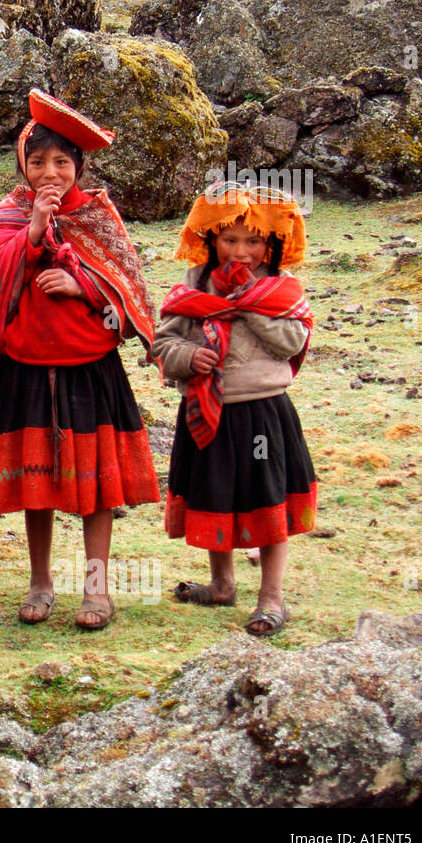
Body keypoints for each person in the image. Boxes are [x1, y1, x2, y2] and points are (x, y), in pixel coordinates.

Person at [0, 89, 160, 631]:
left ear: (78, 165)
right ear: (23, 166)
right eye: (38, 162)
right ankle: (39, 582)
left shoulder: (98, 217)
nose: (50, 172)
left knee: (95, 485)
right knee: (37, 481)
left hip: (89, 370)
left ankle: (97, 589)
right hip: (27, 369)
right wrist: (34, 230)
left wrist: (80, 285)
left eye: (62, 162)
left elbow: (129, 294)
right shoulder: (9, 215)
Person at [153, 184, 316, 636]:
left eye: (253, 241)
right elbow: (163, 342)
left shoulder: (281, 289)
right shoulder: (193, 285)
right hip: (209, 411)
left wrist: (246, 306)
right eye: (229, 241)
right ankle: (222, 583)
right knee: (215, 494)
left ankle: (271, 597)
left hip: (263, 413)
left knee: (269, 502)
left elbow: (292, 341)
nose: (240, 252)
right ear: (210, 240)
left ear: (272, 244)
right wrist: (190, 358)